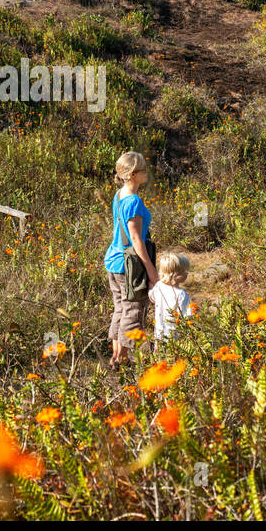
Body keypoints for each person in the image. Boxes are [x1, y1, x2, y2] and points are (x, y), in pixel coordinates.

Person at [104, 151, 157, 368]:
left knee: (120, 307)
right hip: (128, 265)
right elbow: (136, 240)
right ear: (134, 174)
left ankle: (115, 356)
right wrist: (152, 272)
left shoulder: (120, 194)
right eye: (144, 170)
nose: (147, 174)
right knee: (133, 310)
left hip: (113, 260)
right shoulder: (133, 201)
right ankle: (122, 358)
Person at [149, 251, 194, 342]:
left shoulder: (158, 286)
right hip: (174, 335)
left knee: (159, 353)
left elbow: (151, 298)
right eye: (185, 271)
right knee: (173, 355)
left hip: (159, 331)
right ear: (176, 275)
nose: (187, 273)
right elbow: (186, 317)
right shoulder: (181, 294)